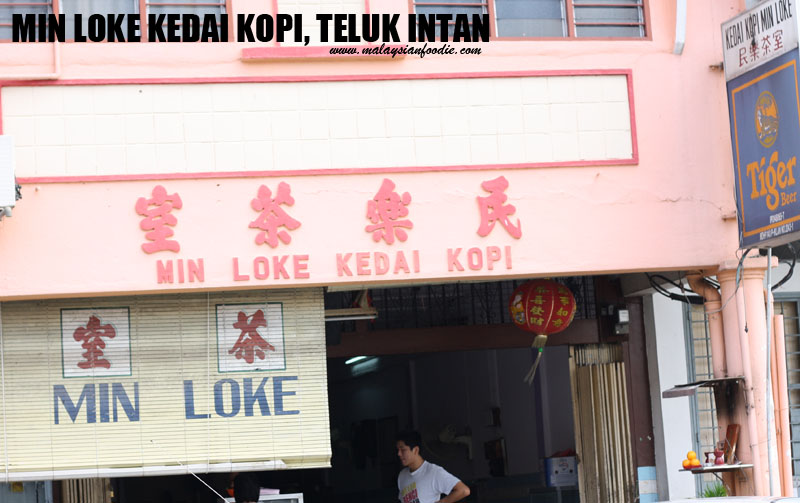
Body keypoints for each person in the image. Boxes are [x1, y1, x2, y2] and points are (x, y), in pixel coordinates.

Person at [396, 430, 471, 503]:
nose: (399, 454)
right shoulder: (402, 475)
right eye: (398, 450)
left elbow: (463, 490)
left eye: (403, 450)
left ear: (415, 450)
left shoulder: (434, 472)